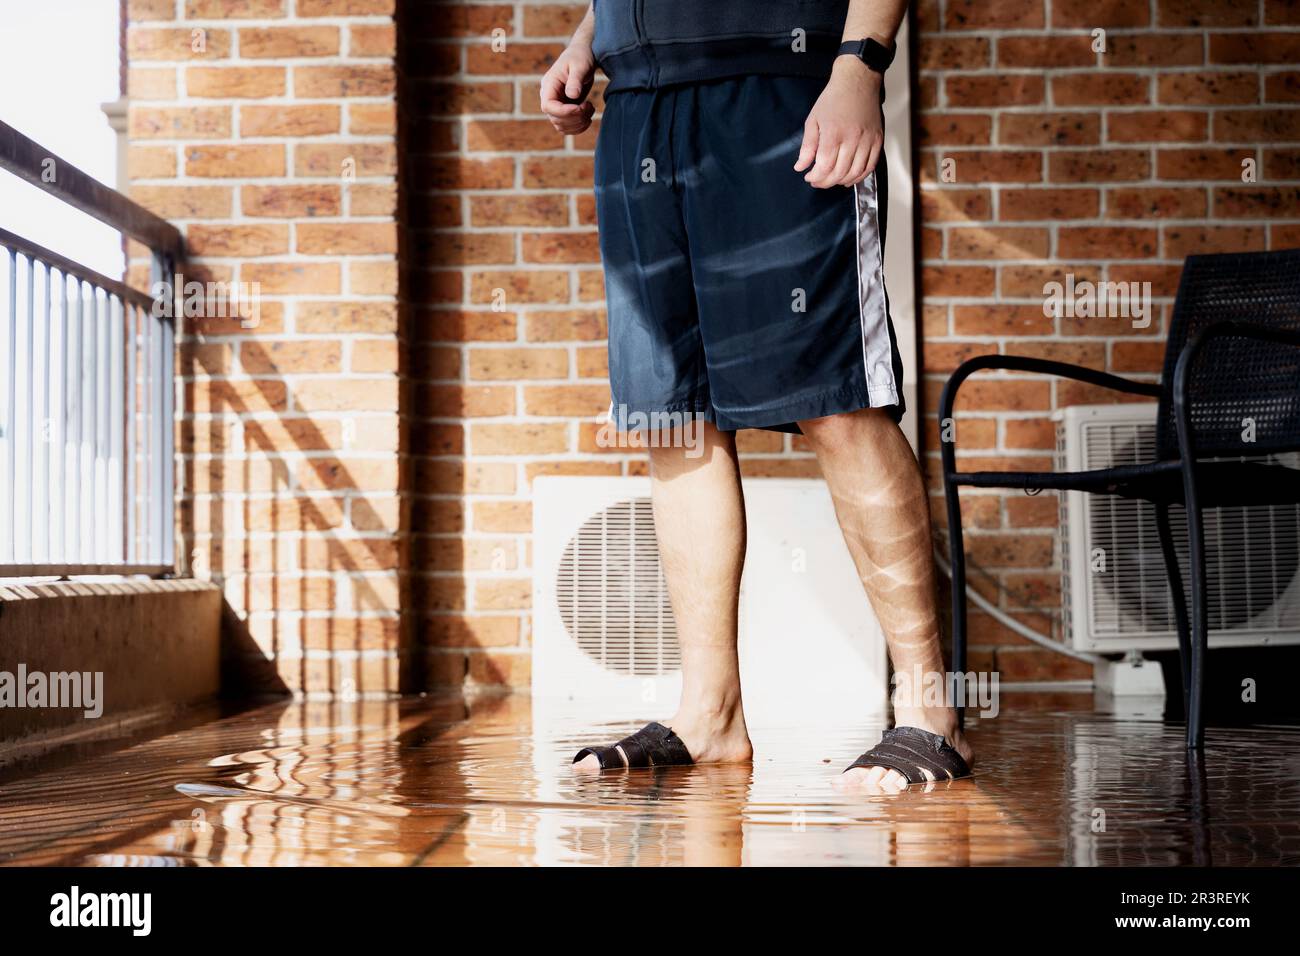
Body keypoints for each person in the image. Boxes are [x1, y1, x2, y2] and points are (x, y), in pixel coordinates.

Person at [540, 0, 973, 793]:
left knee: (839, 399)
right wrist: (589, 39)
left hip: (784, 96)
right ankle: (710, 713)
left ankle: (928, 711)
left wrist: (860, 65)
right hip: (641, 107)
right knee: (671, 418)